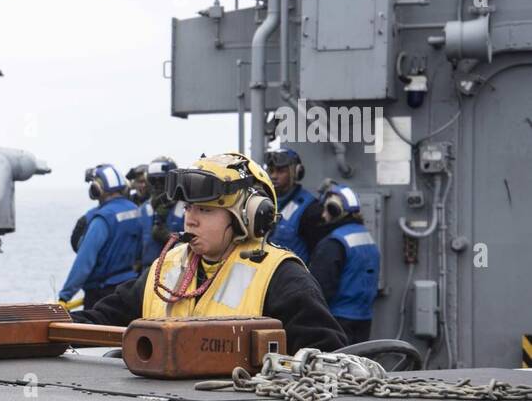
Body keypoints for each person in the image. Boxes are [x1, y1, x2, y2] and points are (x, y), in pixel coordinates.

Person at [74, 153, 348, 353]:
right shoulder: (167, 269)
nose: (190, 220)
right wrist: (44, 324)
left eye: (205, 210)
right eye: (189, 208)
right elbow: (101, 320)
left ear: (250, 215)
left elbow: (328, 357)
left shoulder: (280, 277)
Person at [60, 163, 143, 309]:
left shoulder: (102, 219)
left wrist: (65, 296)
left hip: (102, 294)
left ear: (97, 189)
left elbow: (85, 261)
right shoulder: (136, 210)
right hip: (131, 289)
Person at [308, 185, 380, 344]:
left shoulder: (333, 243)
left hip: (337, 321)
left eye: (328, 209)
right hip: (363, 319)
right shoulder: (366, 237)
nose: (323, 214)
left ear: (336, 211)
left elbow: (320, 287)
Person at [264, 147, 322, 263]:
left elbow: (318, 256)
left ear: (296, 172)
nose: (274, 176)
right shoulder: (263, 203)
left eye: (280, 171)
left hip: (295, 277)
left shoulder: (310, 208)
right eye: (271, 171)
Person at [138, 158, 186, 269]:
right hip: (147, 271)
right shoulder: (143, 209)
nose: (157, 185)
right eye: (153, 181)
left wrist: (169, 237)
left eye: (162, 180)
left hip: (176, 270)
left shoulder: (187, 207)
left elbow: (196, 244)